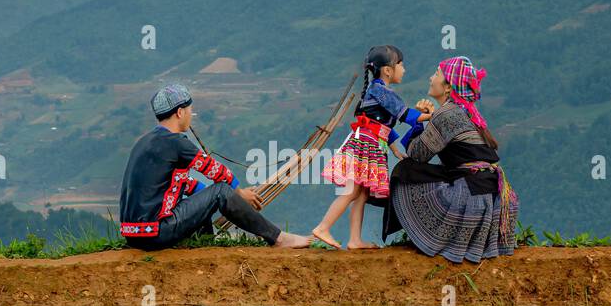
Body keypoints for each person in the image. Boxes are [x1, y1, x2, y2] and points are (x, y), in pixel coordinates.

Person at [119, 82, 312, 250]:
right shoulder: (176, 142)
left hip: (134, 236)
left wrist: (212, 201)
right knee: (221, 190)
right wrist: (238, 192)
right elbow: (214, 170)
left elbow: (183, 183)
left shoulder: (144, 142)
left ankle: (205, 243)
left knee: (214, 194)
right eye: (189, 111)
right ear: (180, 113)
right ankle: (278, 238)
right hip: (156, 233)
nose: (191, 116)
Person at [383, 56, 519, 263]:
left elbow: (417, 154)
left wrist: (419, 122)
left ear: (448, 87)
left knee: (405, 170)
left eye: (436, 74)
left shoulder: (445, 114)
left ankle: (427, 235)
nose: (431, 78)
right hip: (495, 194)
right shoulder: (468, 113)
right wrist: (430, 117)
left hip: (471, 194)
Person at [313, 45, 431, 249]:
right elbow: (407, 116)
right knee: (352, 191)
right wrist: (433, 114)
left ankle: (354, 239)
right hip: (365, 144)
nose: (404, 69)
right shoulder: (382, 91)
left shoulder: (377, 91)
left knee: (361, 194)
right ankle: (323, 227)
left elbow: (384, 125)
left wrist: (394, 149)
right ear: (388, 69)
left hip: (372, 143)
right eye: (401, 65)